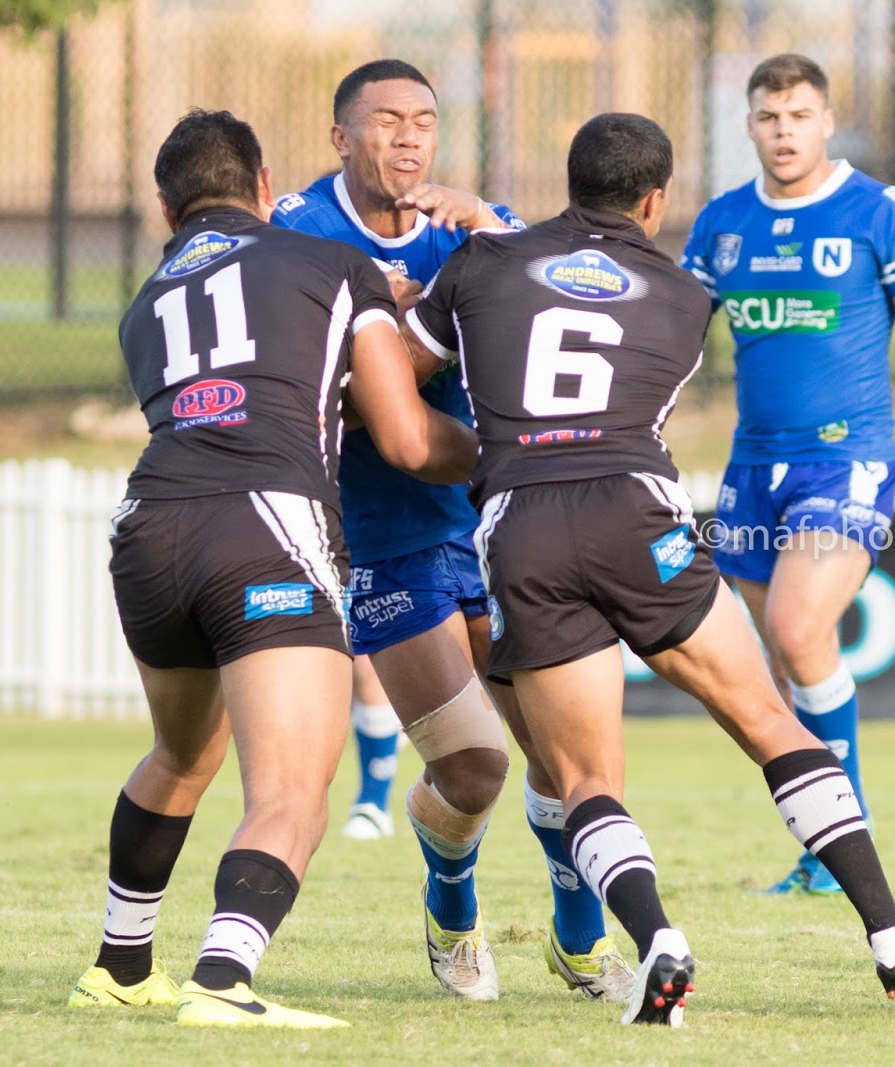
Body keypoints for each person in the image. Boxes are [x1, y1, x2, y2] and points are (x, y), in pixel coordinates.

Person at [404, 110, 895, 1027]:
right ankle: (890, 928)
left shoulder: (478, 266)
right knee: (765, 717)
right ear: (655, 201)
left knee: (585, 779)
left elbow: (404, 361)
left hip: (524, 525)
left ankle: (656, 935)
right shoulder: (682, 298)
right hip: (639, 515)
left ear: (568, 178)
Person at [66, 108, 477, 1029]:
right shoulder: (330, 264)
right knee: (290, 791)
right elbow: (408, 438)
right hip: (266, 526)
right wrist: (497, 453)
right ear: (264, 188)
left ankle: (121, 966)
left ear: (165, 214)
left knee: (181, 753)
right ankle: (223, 974)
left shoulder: (146, 304)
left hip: (147, 527)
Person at [272, 58, 635, 1001]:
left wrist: (500, 234)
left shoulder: (476, 230)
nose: (408, 138)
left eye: (424, 122)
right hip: (388, 534)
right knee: (474, 769)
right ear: (341, 137)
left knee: (567, 761)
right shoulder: (298, 237)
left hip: (499, 524)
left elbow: (562, 320)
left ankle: (579, 935)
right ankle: (450, 897)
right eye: (386, 121)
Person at [681, 54, 895, 897]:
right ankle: (823, 845)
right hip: (754, 467)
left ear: (827, 122)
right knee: (784, 671)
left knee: (796, 626)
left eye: (798, 115)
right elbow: (674, 345)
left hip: (847, 457)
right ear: (748, 126)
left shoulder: (882, 213)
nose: (783, 131)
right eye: (767, 116)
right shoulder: (721, 223)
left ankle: (845, 832)